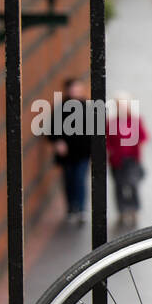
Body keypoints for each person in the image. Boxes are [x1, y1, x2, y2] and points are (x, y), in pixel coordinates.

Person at [50, 77, 93, 225]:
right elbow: (51, 129)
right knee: (68, 180)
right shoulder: (60, 108)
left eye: (77, 88)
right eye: (73, 88)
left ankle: (81, 209)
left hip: (82, 152)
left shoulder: (89, 107)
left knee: (80, 179)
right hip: (67, 154)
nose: (75, 91)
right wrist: (58, 142)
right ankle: (71, 208)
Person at [106, 93, 148, 227]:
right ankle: (122, 211)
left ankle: (134, 209)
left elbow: (143, 136)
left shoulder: (135, 120)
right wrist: (110, 150)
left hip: (132, 159)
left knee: (132, 184)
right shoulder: (112, 122)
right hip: (117, 160)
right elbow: (107, 140)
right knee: (119, 186)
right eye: (119, 106)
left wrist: (138, 145)